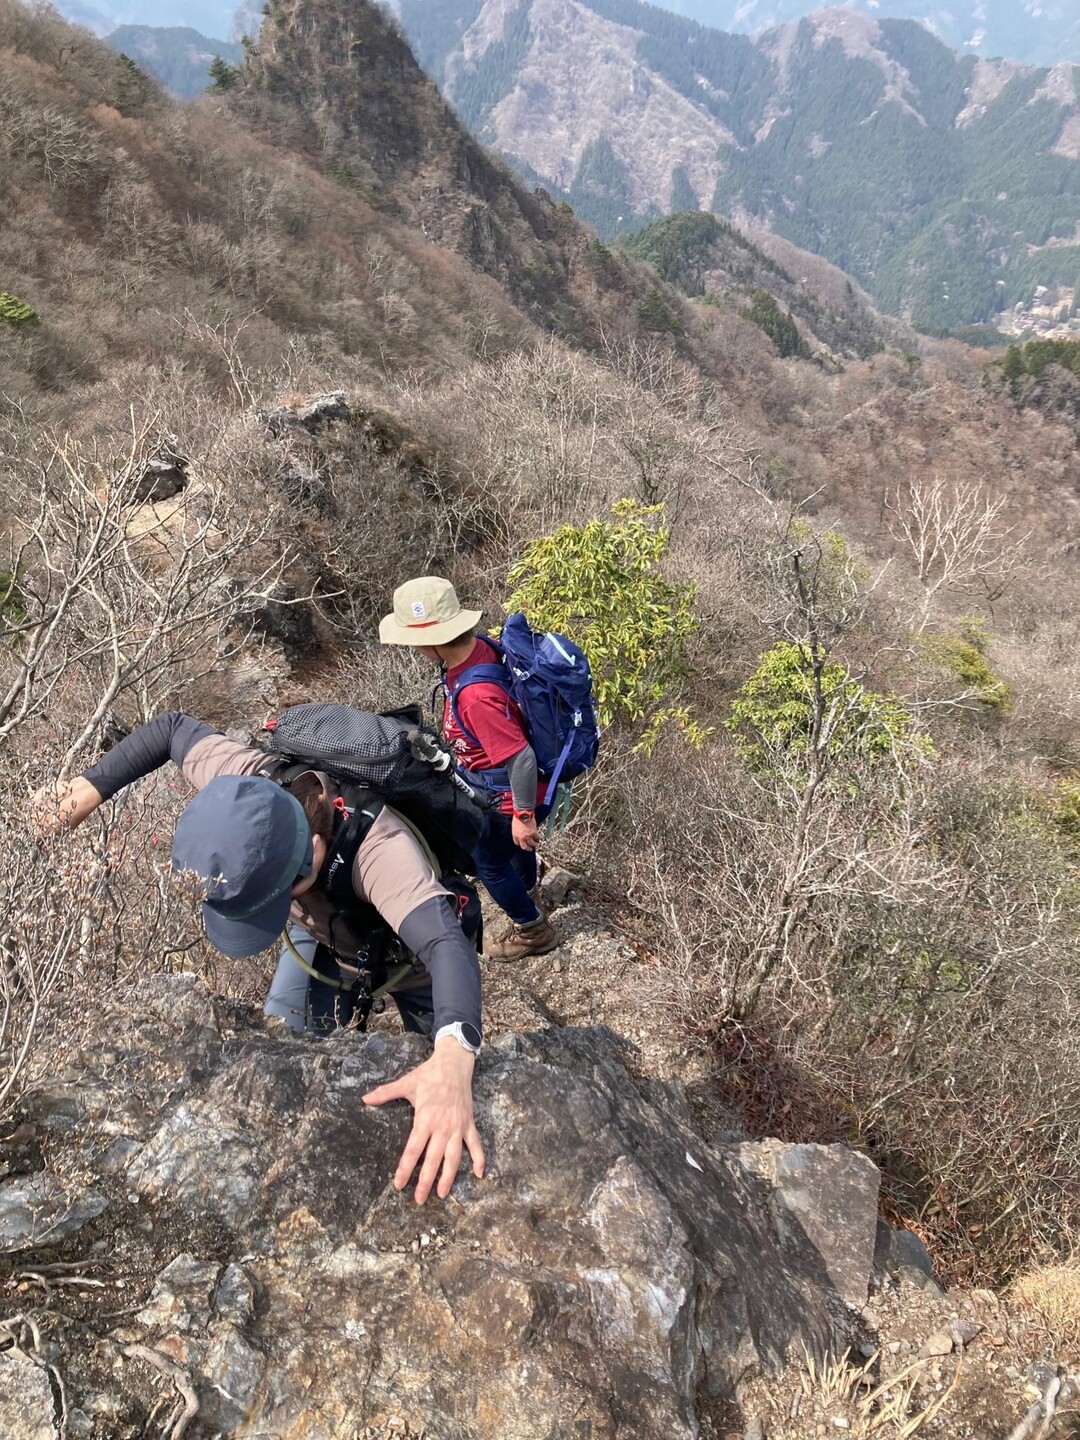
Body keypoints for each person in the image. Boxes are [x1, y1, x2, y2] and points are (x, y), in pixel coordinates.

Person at [32, 712, 485, 1206]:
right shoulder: (247, 785)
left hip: (408, 963)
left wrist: (453, 1057)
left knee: (439, 1080)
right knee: (285, 1046)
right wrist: (87, 790)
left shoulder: (380, 852)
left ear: (313, 851)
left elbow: (446, 946)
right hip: (322, 937)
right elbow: (171, 730)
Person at [380, 576, 558, 962]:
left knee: (487, 861)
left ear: (433, 639)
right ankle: (529, 890)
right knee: (510, 848)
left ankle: (532, 929)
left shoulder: (476, 695)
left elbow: (520, 757)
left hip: (510, 792)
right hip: (519, 787)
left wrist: (523, 816)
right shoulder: (481, 650)